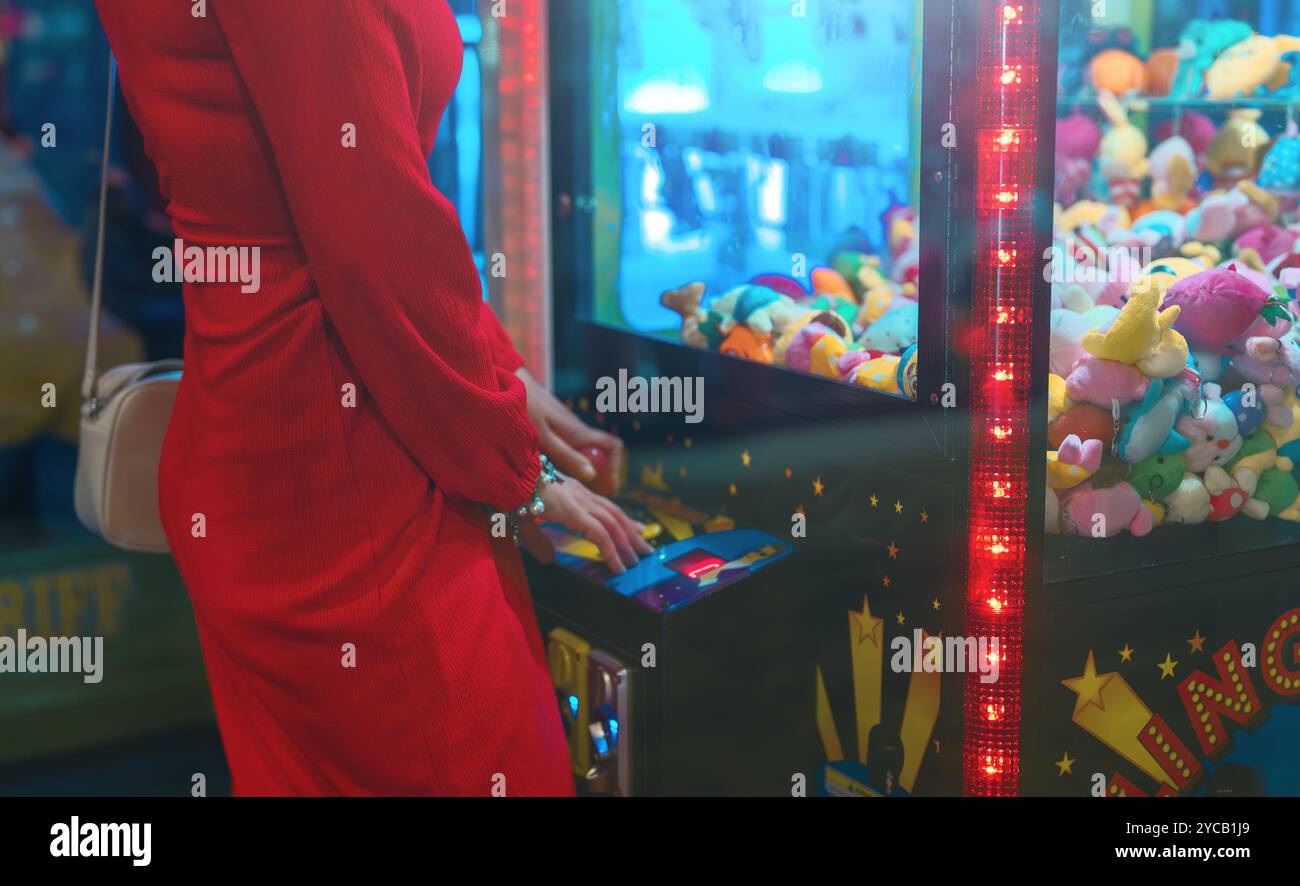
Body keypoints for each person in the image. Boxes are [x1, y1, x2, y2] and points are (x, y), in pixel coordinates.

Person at [93, 0, 650, 796]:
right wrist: (513, 464)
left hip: (272, 457)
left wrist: (500, 376)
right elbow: (371, 230)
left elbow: (337, 197)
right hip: (352, 490)